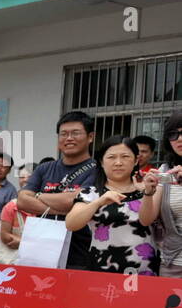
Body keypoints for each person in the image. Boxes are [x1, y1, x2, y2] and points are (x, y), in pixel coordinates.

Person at [64, 136, 158, 275]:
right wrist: (98, 202)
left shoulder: (149, 189)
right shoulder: (91, 193)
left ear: (136, 160)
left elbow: (148, 220)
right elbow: (71, 224)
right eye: (111, 157)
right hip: (102, 268)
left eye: (125, 156)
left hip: (144, 269)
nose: (118, 162)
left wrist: (148, 193)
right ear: (102, 162)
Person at [17, 110, 98, 270]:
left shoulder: (97, 169)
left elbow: (74, 200)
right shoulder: (45, 168)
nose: (68, 138)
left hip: (79, 253)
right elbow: (22, 200)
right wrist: (66, 210)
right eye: (63, 134)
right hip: (41, 249)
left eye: (75, 133)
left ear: (90, 137)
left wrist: (39, 195)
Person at [140, 115, 182, 277]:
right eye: (173, 134)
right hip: (173, 264)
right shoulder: (165, 171)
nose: (179, 139)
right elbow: (146, 220)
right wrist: (148, 192)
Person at [0, 164, 34, 265]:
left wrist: (22, 243)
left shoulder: (46, 207)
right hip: (13, 263)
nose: (25, 180)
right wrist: (29, 244)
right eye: (21, 177)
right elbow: (5, 236)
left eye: (30, 176)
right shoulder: (11, 207)